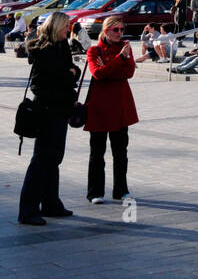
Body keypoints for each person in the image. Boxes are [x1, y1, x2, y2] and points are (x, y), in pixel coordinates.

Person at [17, 12, 80, 225]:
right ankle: (28, 210)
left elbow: (72, 70)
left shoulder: (62, 46)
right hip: (47, 111)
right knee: (42, 161)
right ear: (56, 27)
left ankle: (51, 203)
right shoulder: (44, 51)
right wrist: (68, 75)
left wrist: (70, 73)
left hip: (60, 110)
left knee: (54, 159)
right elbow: (41, 83)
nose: (68, 30)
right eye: (66, 26)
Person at [84, 16, 138, 204]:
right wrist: (119, 59)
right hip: (99, 107)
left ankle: (121, 190)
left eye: (122, 29)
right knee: (97, 152)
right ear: (106, 31)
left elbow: (129, 72)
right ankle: (95, 192)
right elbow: (98, 73)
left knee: (120, 152)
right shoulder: (94, 50)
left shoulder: (125, 47)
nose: (120, 33)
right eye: (116, 30)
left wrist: (115, 65)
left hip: (121, 106)